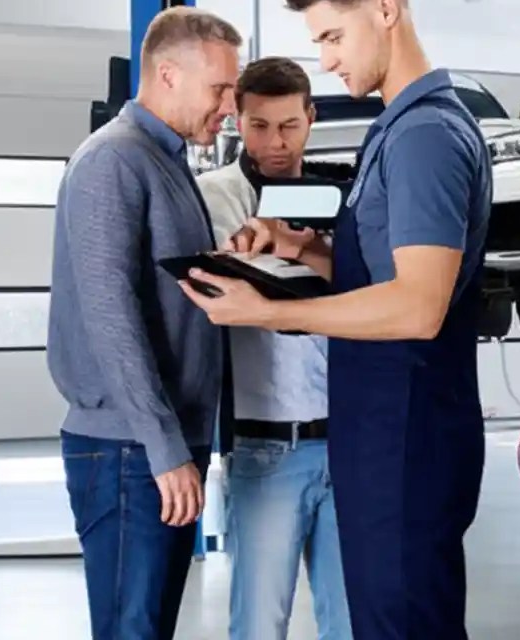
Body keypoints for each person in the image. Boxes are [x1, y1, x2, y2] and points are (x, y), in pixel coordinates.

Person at [176, 0, 492, 640]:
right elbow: (381, 269)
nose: (326, 59)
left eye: (332, 35)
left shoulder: (423, 138)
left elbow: (417, 303)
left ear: (386, 10)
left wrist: (270, 308)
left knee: (400, 622)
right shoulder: (398, 130)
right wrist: (300, 246)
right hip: (386, 431)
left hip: (404, 436)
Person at [46, 5, 241, 640]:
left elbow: (165, 289)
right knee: (132, 629)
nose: (229, 107)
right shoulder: (114, 161)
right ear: (167, 75)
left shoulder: (169, 162)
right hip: (129, 449)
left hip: (158, 444)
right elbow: (111, 315)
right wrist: (164, 448)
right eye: (219, 89)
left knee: (151, 625)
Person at [195, 57, 353, 640]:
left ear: (310, 119)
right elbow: (237, 284)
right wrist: (316, 261)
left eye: (289, 125)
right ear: (238, 120)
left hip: (348, 441)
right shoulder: (215, 195)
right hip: (265, 447)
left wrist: (301, 254)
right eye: (259, 125)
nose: (276, 142)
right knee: (260, 624)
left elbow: (366, 290)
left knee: (351, 620)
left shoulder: (338, 198)